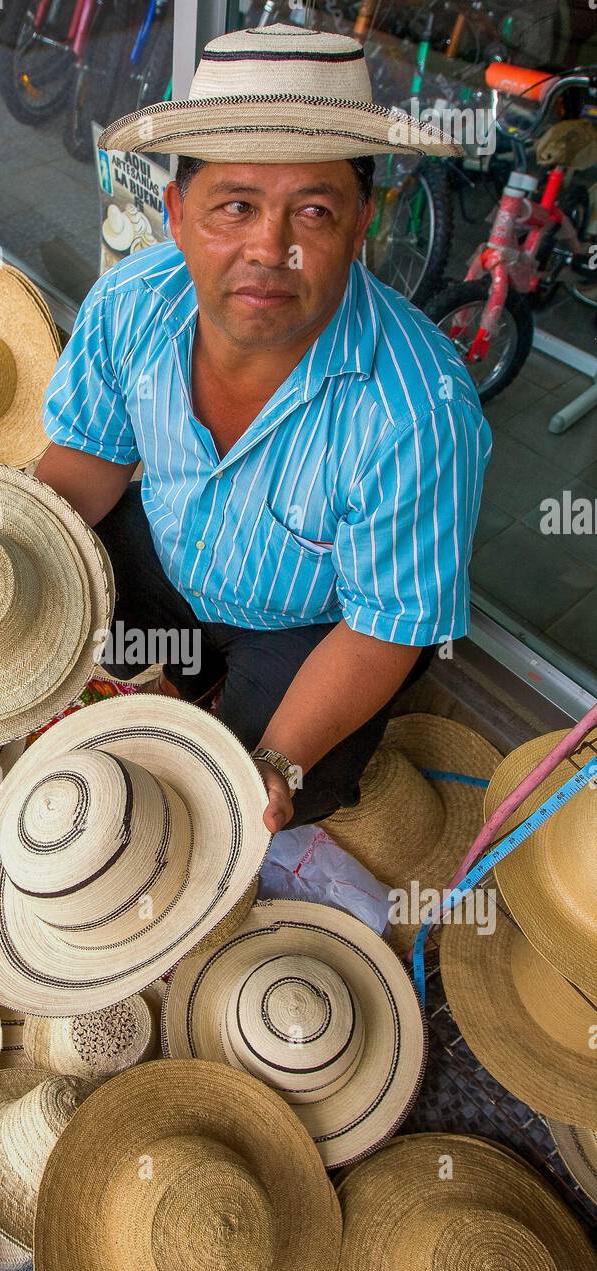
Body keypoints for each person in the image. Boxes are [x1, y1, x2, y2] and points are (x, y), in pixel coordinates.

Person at [36, 25, 490, 834]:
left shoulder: (420, 412)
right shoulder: (131, 304)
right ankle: (185, 671)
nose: (269, 250)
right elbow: (85, 466)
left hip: (317, 626)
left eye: (312, 212)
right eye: (234, 206)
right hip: (172, 555)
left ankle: (224, 698)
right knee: (55, 665)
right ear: (176, 213)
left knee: (238, 798)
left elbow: (382, 626)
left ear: (362, 226)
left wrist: (276, 762)